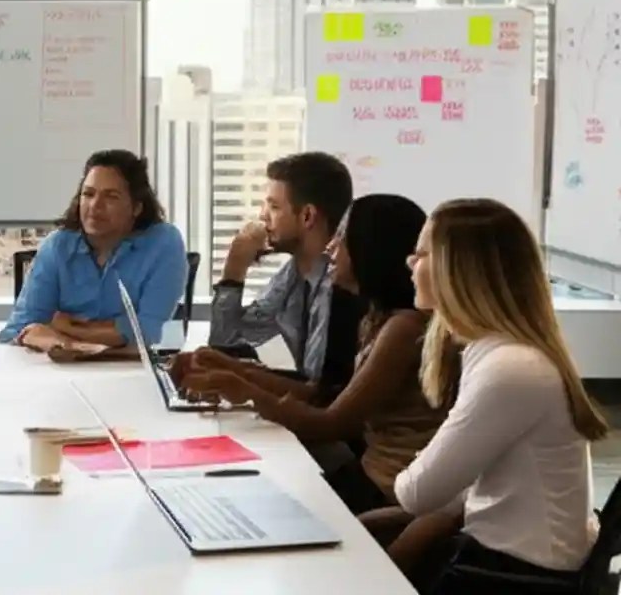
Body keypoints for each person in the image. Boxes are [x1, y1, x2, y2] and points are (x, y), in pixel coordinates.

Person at [175, 194, 446, 514]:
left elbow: (331, 423)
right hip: (367, 475)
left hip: (383, 488)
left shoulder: (403, 329)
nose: (332, 247)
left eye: (344, 238)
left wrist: (245, 391)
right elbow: (321, 393)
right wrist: (237, 370)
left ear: (370, 248)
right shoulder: (375, 316)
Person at [393, 198, 608, 594]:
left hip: (518, 577)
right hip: (509, 559)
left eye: (421, 252)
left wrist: (422, 464)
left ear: (457, 272)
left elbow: (417, 492)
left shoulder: (509, 369)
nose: (410, 262)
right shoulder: (500, 354)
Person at [0, 149, 187, 350]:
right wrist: (69, 343)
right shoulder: (56, 247)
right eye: (88, 194)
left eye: (111, 197)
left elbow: (149, 333)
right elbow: (20, 329)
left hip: (131, 372)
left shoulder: (164, 243)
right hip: (62, 372)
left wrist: (66, 329)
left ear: (136, 207)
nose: (95, 205)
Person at [203, 152, 357, 388]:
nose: (262, 216)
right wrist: (233, 274)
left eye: (274, 207)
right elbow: (227, 343)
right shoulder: (294, 273)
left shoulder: (338, 285)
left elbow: (318, 387)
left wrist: (245, 378)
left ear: (307, 216)